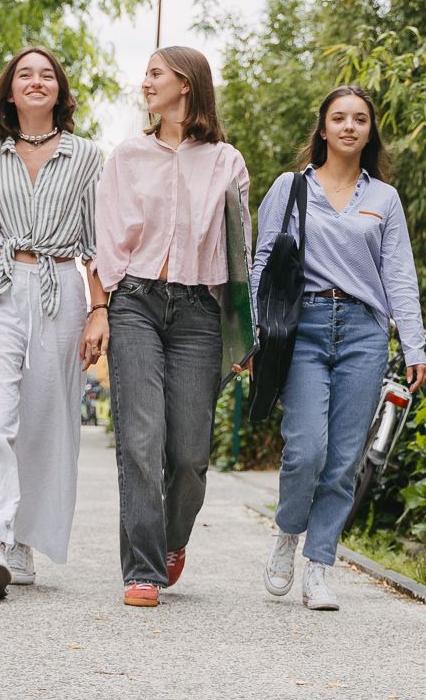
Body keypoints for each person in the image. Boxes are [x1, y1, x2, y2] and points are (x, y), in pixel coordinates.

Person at [251, 85, 426, 611]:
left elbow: (399, 275)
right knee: (306, 448)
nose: (349, 126)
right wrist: (257, 334)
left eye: (360, 119)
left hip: (364, 333)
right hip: (301, 326)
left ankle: (320, 566)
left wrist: (413, 344)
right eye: (339, 118)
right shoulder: (290, 187)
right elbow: (262, 260)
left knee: (345, 459)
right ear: (323, 128)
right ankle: (288, 533)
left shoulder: (384, 199)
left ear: (370, 131)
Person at [95, 46, 250, 608]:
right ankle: (142, 569)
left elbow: (240, 250)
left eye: (155, 73)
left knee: (189, 455)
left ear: (185, 84)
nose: (146, 82)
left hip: (199, 314)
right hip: (135, 301)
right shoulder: (126, 156)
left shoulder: (227, 161)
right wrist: (103, 307)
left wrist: (245, 333)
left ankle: (172, 540)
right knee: (140, 438)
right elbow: (107, 238)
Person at [0, 45, 106, 598]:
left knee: (46, 418)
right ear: (10, 90)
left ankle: (22, 540)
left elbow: (98, 244)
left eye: (47, 75)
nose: (36, 81)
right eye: (25, 74)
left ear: (61, 92)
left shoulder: (88, 156)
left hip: (60, 287)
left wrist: (99, 309)